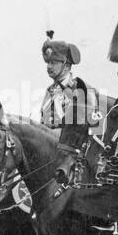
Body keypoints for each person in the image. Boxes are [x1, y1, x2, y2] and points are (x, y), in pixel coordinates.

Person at [40, 32, 97, 186]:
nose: (49, 67)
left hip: (71, 161)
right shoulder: (49, 91)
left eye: (53, 63)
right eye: (48, 63)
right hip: (47, 156)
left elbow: (91, 130)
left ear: (66, 65)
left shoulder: (82, 89)